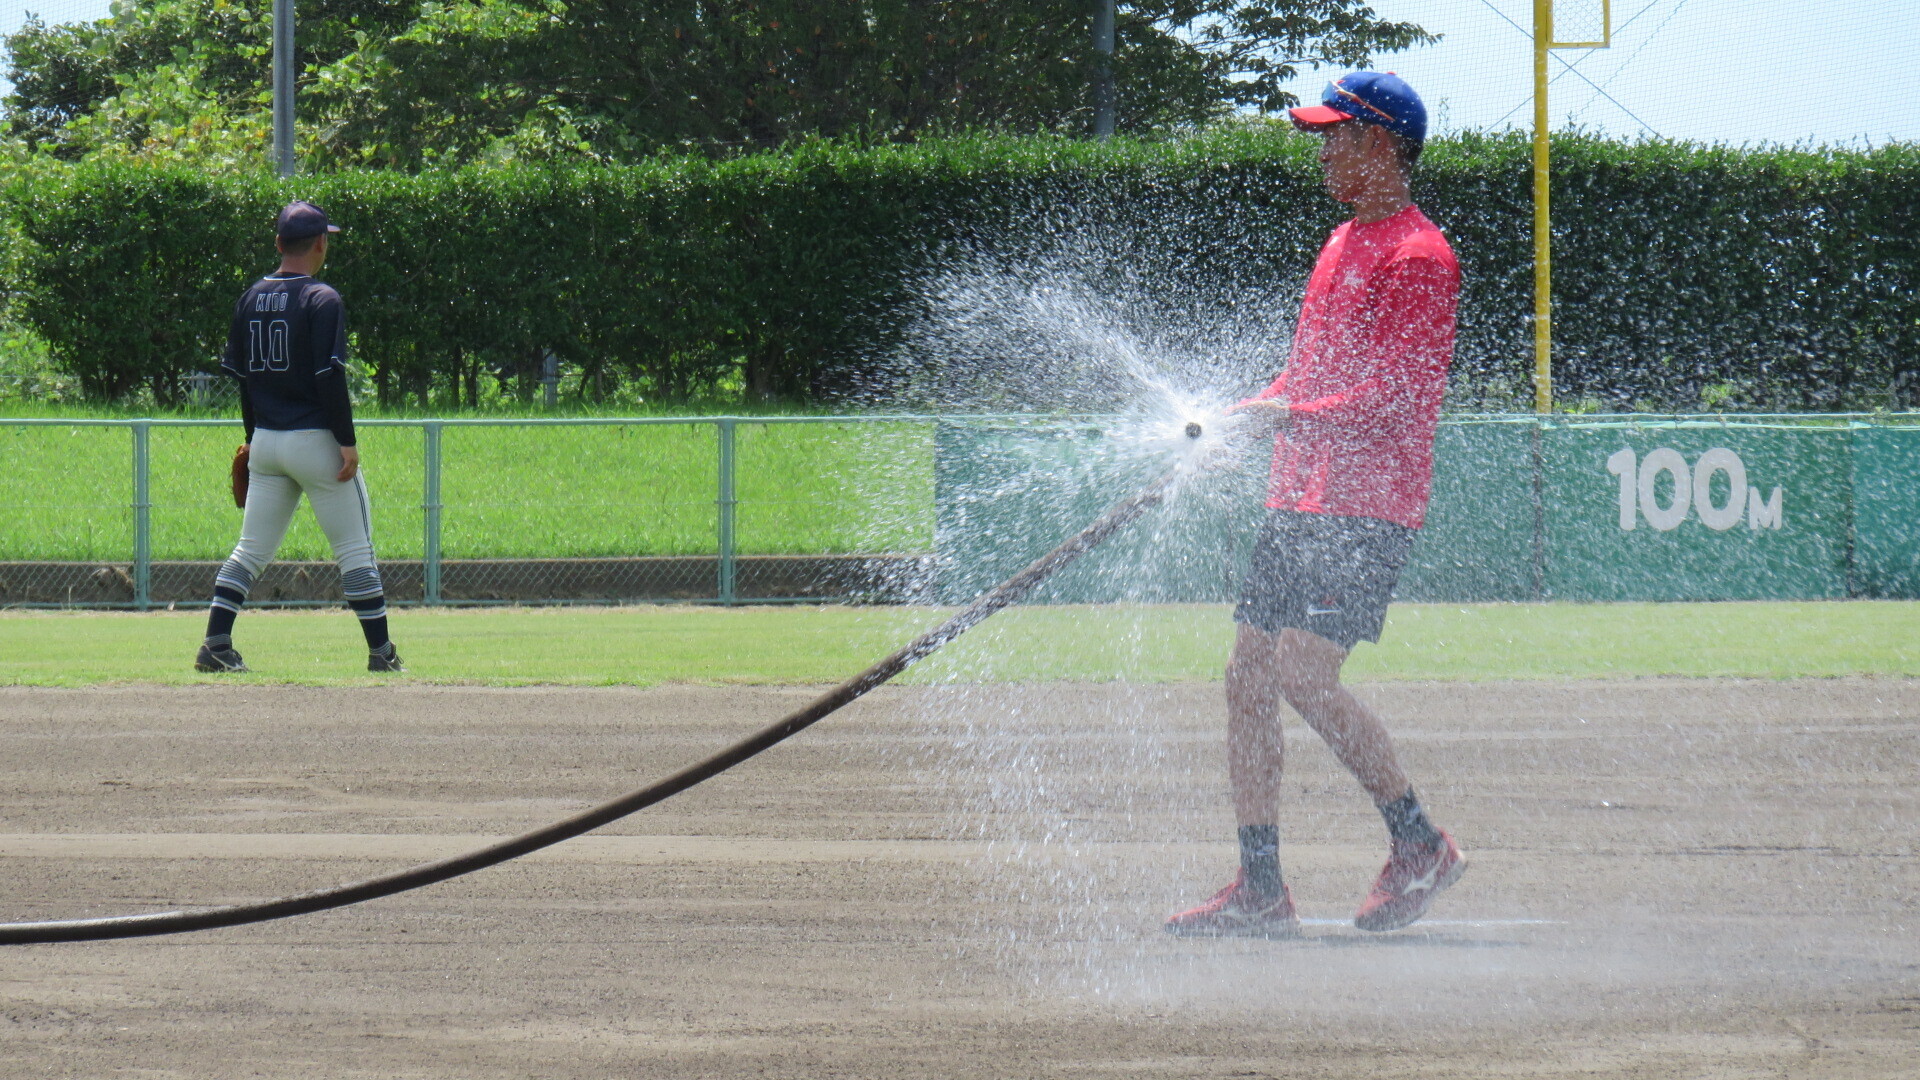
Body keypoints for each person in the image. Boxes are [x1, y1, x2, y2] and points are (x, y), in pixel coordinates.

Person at [1165, 72, 1461, 937]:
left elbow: (1396, 398)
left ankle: (1421, 844)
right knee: (1248, 673)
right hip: (1302, 497)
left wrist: (1285, 415)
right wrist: (1243, 414)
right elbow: (1310, 375)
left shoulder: (1421, 258)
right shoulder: (1337, 245)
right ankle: (1260, 889)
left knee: (1302, 670)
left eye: (1335, 134)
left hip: (1369, 507)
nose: (1323, 149)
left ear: (1379, 143)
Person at [193, 201, 404, 675]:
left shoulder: (250, 297)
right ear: (322, 243)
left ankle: (216, 645)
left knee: (249, 550)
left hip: (267, 440)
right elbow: (329, 377)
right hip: (315, 441)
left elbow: (244, 380)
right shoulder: (322, 298)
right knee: (354, 548)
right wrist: (346, 442)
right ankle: (381, 653)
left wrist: (253, 441)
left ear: (278, 244)